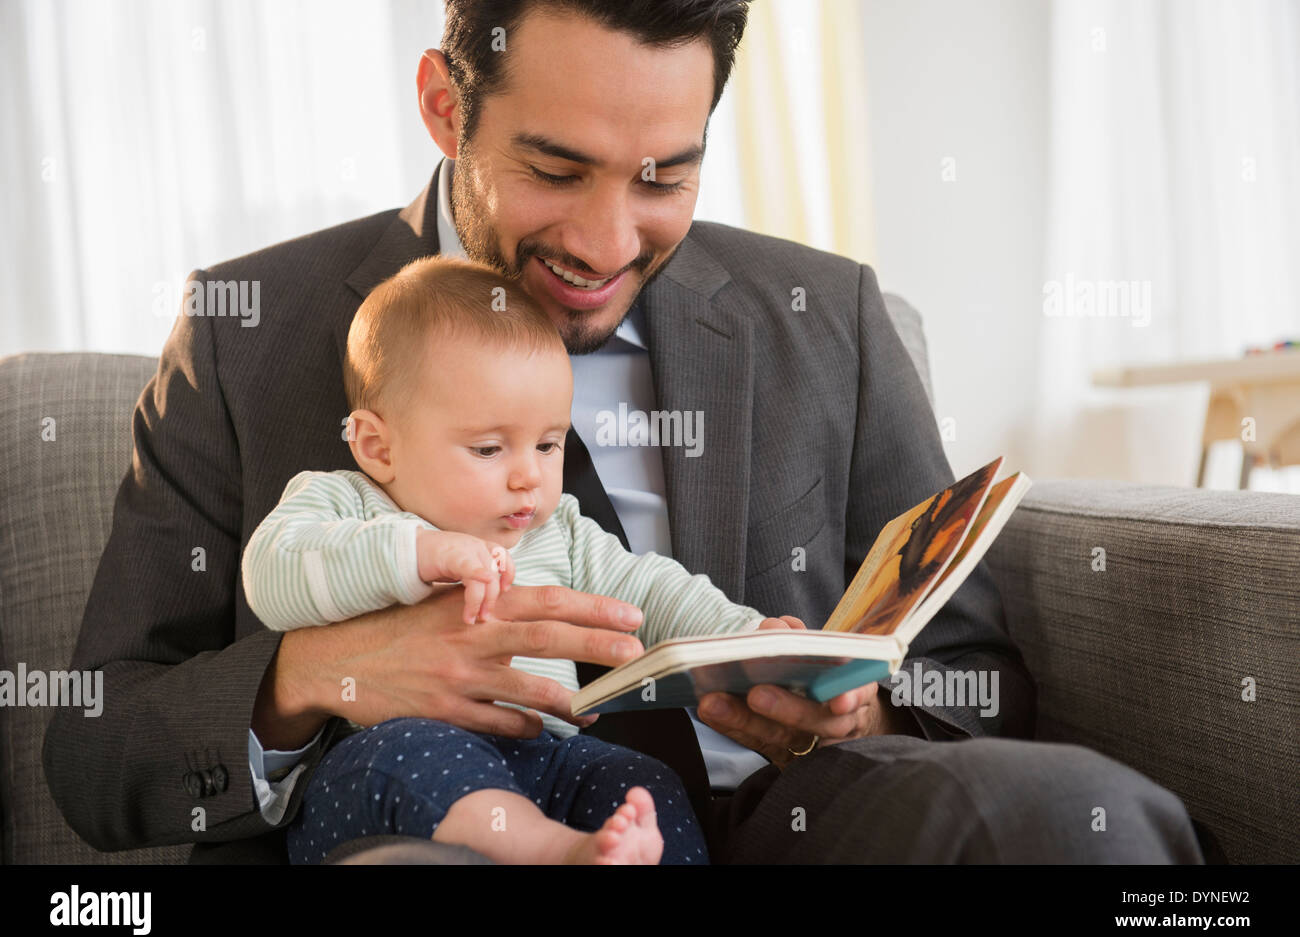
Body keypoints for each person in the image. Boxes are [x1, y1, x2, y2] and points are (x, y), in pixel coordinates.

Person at [44, 0, 1204, 865]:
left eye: (664, 177)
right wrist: (319, 675)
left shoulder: (826, 314)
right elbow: (93, 755)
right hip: (421, 819)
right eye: (555, 168)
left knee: (1057, 818)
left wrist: (854, 704)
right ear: (447, 106)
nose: (606, 244)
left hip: (775, 825)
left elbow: (972, 674)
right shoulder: (249, 332)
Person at [247, 255, 801, 864]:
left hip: (549, 755)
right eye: (489, 448)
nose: (528, 477)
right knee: (416, 761)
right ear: (378, 446)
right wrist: (419, 553)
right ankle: (552, 853)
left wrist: (744, 637)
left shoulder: (557, 530)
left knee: (642, 783)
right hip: (386, 759)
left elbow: (649, 591)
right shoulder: (344, 501)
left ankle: (610, 852)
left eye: (548, 443)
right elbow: (272, 573)